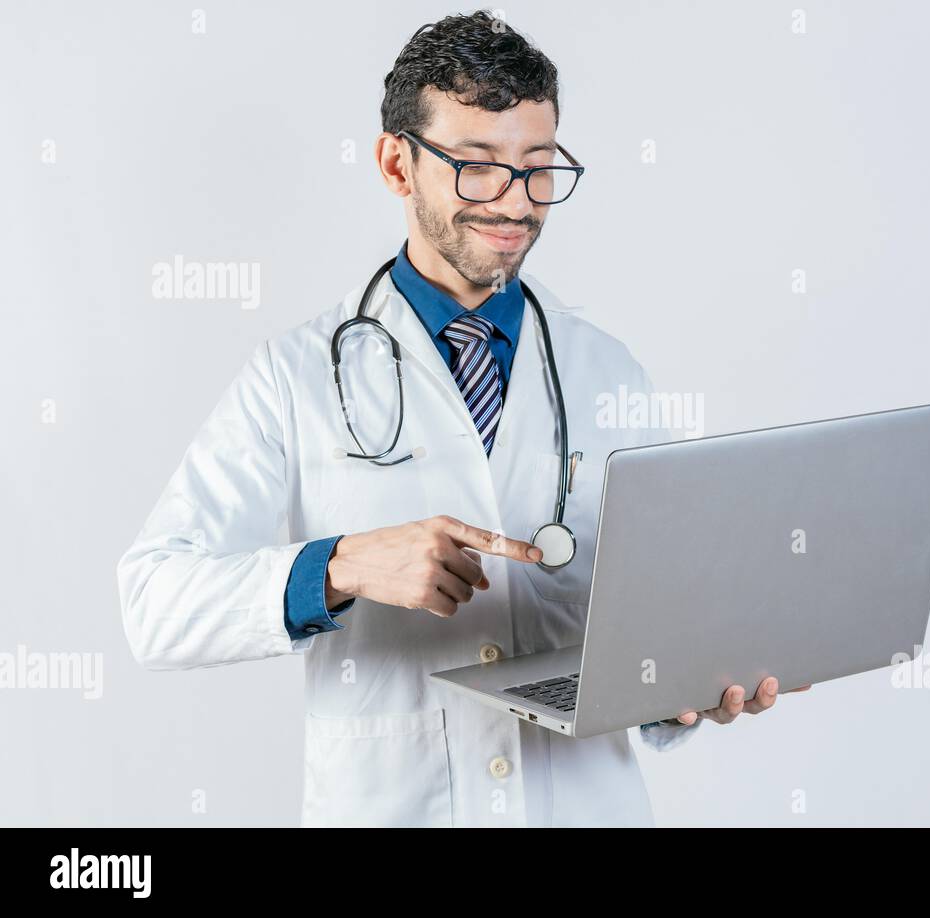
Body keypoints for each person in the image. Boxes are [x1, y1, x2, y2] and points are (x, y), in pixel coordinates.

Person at [118, 11, 803, 828]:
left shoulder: (606, 371)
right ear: (395, 163)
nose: (515, 204)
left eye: (538, 168)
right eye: (477, 168)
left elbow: (651, 620)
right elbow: (153, 602)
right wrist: (339, 566)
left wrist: (687, 690)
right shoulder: (294, 375)